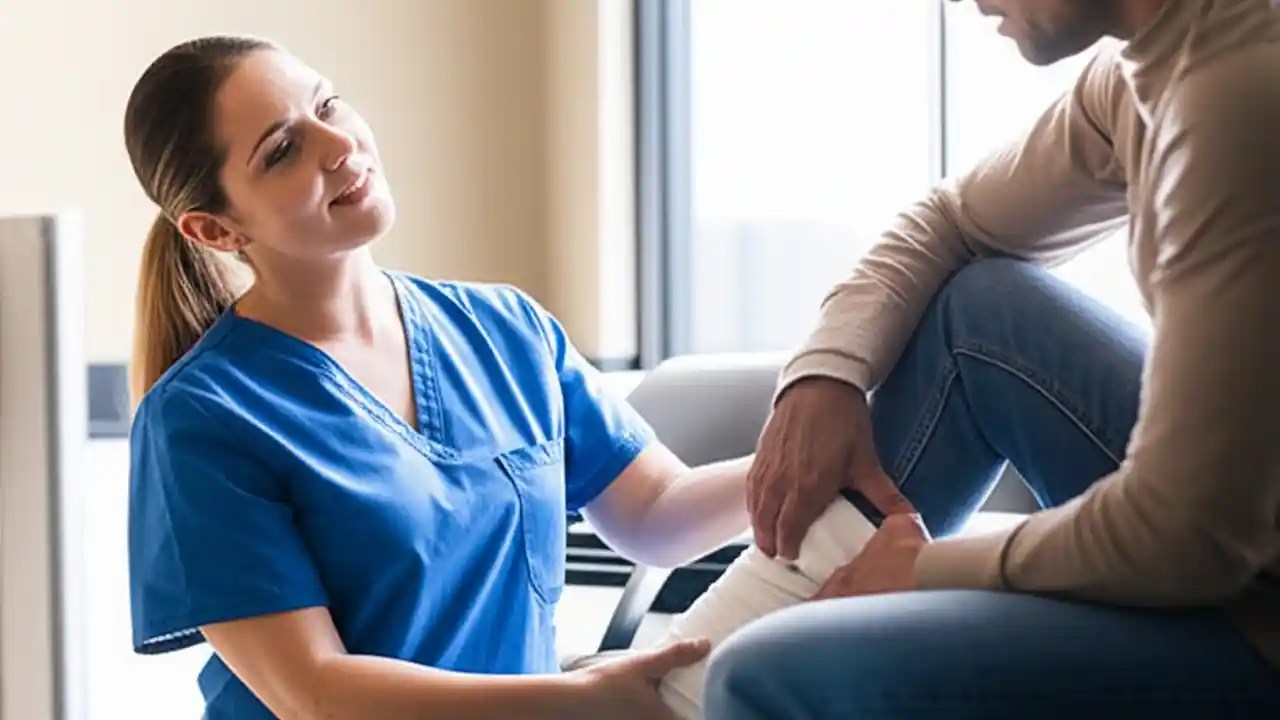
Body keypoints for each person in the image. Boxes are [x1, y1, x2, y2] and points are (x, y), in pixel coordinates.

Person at [123, 35, 757, 720]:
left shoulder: (505, 328)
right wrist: (579, 698)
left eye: (328, 105)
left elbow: (655, 513)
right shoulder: (202, 418)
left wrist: (826, 457)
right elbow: (316, 692)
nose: (338, 146)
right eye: (282, 150)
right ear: (215, 230)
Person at [704, 0, 1280, 717]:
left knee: (760, 673)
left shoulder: (1237, 99)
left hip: (1253, 610)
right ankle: (679, 682)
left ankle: (688, 688)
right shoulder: (1150, 67)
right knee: (981, 309)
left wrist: (927, 571)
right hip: (1242, 532)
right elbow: (952, 222)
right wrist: (827, 368)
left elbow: (1186, 536)